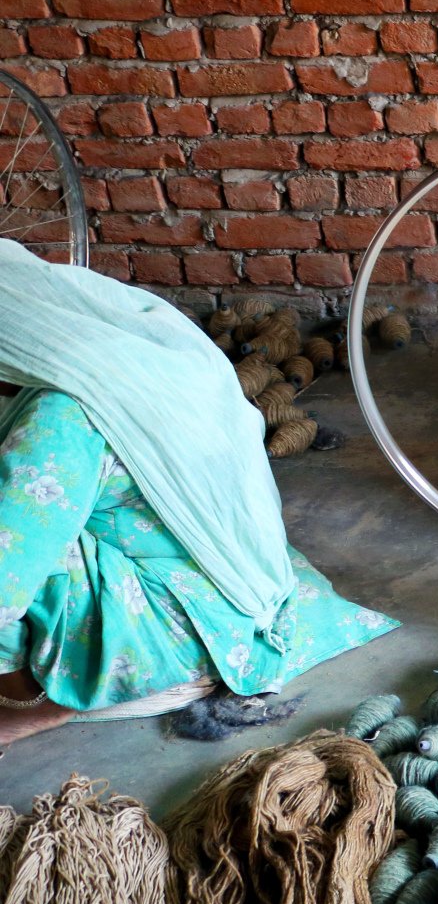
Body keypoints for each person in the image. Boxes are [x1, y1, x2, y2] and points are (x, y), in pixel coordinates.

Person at [0, 240, 397, 746]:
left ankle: (27, 697)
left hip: (170, 632)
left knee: (18, 528)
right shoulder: (133, 335)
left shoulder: (60, 418)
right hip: (242, 586)